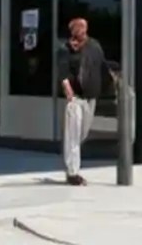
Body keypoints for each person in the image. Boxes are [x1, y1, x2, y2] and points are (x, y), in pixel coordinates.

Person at [56, 18, 117, 186]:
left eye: (82, 30)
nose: (80, 34)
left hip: (91, 97)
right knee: (73, 135)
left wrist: (112, 82)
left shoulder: (94, 46)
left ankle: (72, 166)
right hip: (75, 98)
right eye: (77, 31)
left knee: (82, 133)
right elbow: (63, 72)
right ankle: (73, 172)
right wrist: (68, 89)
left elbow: (102, 67)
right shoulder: (66, 49)